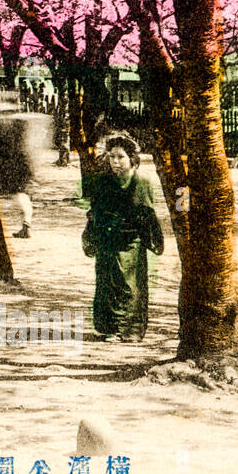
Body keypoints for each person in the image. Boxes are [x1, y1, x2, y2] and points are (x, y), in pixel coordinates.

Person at [82, 136, 164, 342]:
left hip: (131, 241)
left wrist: (151, 239)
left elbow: (148, 214)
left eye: (121, 157)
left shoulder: (141, 182)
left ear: (132, 160)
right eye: (112, 157)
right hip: (106, 239)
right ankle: (107, 328)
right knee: (106, 281)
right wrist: (91, 235)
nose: (115, 161)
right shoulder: (102, 181)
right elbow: (95, 211)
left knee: (130, 284)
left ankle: (131, 330)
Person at [0, 101, 36, 238]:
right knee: (22, 194)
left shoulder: (2, 125)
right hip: (23, 163)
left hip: (9, 165)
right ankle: (26, 225)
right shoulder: (21, 123)